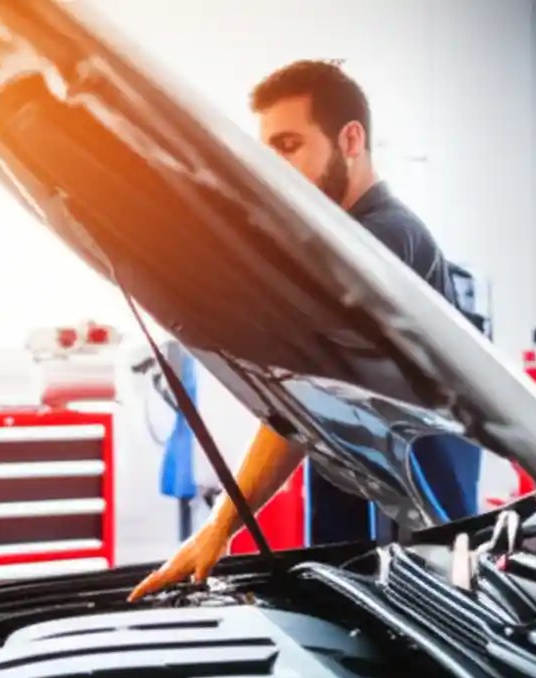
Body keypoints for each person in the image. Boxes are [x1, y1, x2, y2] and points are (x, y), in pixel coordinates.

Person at [130, 60, 474, 602]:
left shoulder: (387, 239)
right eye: (267, 153)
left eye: (289, 146)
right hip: (358, 524)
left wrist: (220, 527)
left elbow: (303, 386)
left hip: (415, 549)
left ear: (351, 139)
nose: (275, 170)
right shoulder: (337, 239)